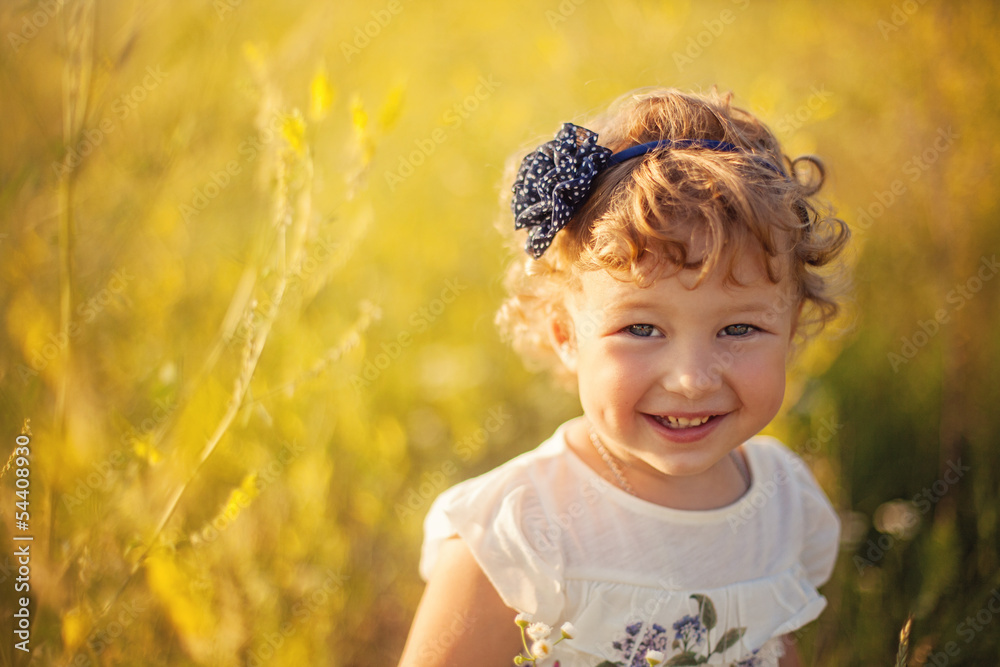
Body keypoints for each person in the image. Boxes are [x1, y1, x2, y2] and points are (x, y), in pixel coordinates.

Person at [398, 87, 849, 667]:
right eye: (641, 330)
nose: (691, 380)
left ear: (791, 330)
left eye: (738, 330)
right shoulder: (516, 531)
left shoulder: (785, 501)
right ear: (566, 337)